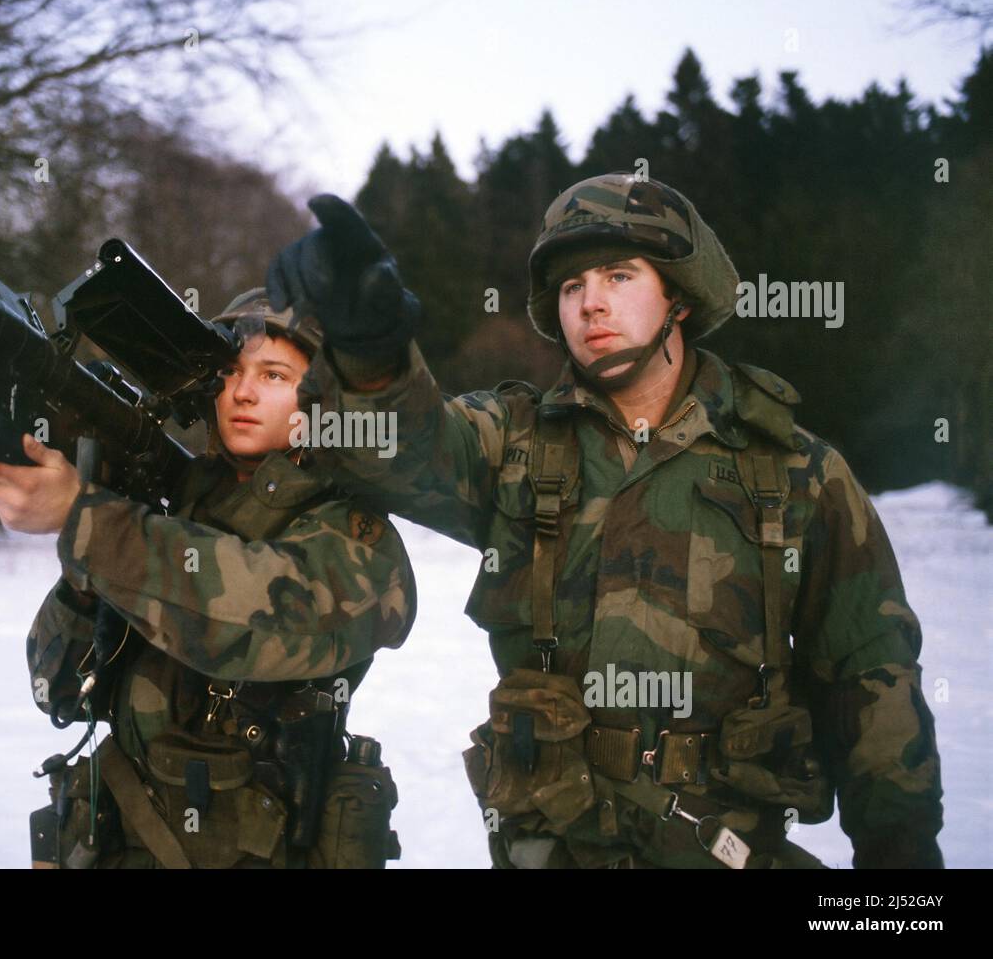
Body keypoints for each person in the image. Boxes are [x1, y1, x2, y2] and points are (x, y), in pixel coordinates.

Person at [265, 173, 944, 869]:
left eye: (619, 276)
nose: (590, 303)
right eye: (569, 287)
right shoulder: (516, 444)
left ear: (677, 294)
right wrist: (373, 354)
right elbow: (405, 451)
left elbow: (870, 673)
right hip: (555, 847)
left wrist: (902, 856)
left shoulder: (795, 469)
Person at [0, 289, 415, 868]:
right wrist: (87, 565)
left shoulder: (354, 534)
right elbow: (59, 691)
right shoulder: (168, 517)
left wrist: (86, 519)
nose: (242, 392)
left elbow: (253, 621)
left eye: (273, 375)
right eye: (229, 373)